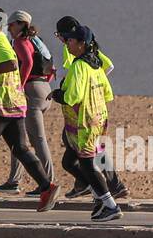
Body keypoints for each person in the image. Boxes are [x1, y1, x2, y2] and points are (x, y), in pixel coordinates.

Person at [0, 6, 60, 213]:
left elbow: (11, 64)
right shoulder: (1, 42)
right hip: (14, 105)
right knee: (21, 149)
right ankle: (46, 187)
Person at [52, 15, 128, 201]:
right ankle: (102, 186)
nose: (62, 40)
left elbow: (75, 71)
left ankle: (99, 189)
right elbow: (107, 66)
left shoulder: (73, 49)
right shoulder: (87, 46)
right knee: (87, 150)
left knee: (83, 153)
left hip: (80, 109)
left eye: (60, 35)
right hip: (90, 109)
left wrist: (81, 83)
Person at [0, 11, 57, 195]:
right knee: (19, 137)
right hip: (43, 89)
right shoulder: (37, 42)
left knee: (37, 139)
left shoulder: (21, 42)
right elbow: (51, 68)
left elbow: (27, 63)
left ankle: (48, 183)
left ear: (21, 24)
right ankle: (14, 181)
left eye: (12, 25)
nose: (10, 29)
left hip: (31, 92)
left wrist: (19, 87)